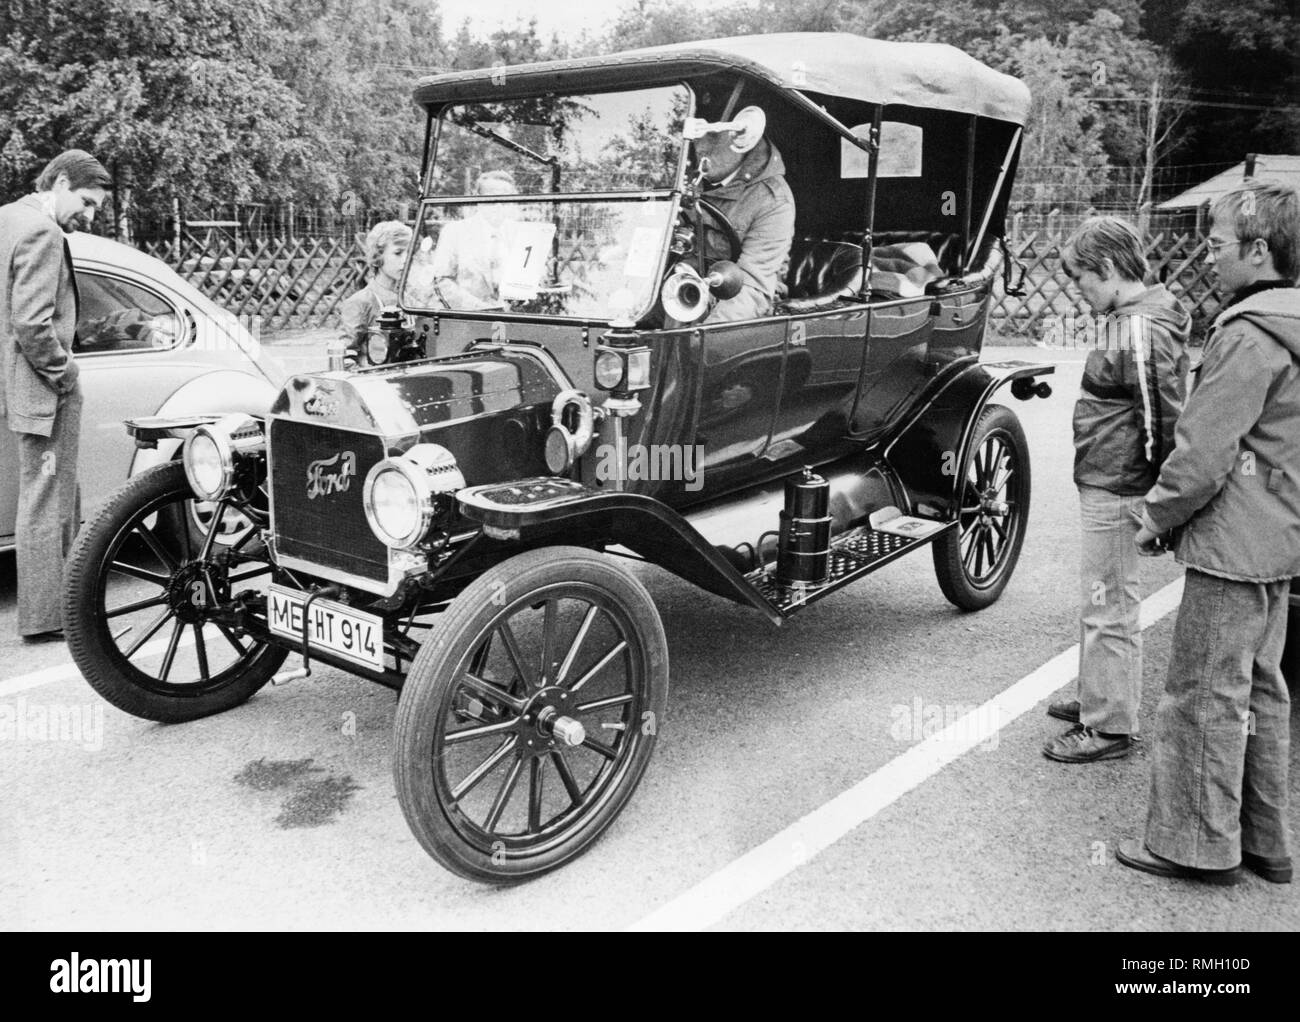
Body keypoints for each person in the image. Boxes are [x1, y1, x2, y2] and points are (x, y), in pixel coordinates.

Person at [1118, 180, 1300, 885]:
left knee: (1200, 695)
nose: (1209, 256)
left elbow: (1202, 453)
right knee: (1260, 691)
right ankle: (1263, 839)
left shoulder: (1248, 334)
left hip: (1233, 545)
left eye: (1220, 244)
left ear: (1259, 250)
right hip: (1279, 536)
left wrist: (1156, 516)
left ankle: (1193, 844)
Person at [1042, 217, 1191, 763]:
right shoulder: (1140, 317)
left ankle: (1108, 726)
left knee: (1110, 606)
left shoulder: (1135, 328)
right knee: (1100, 598)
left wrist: (1160, 500)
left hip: (1119, 482)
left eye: (1082, 278)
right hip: (1111, 477)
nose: (1080, 291)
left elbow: (1162, 421)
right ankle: (1096, 694)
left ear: (1107, 269)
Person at [0, 149, 111, 641]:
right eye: (85, 202)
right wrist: (64, 373)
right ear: (60, 181)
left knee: (50, 494)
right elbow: (31, 321)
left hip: (18, 386)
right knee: (49, 499)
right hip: (43, 388)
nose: (87, 217)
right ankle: (49, 618)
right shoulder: (43, 231)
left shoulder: (8, 217)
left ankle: (60, 603)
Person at [689, 104, 795, 322]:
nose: (700, 147)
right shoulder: (688, 178)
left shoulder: (772, 200)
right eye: (696, 136)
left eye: (711, 136)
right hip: (684, 287)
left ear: (743, 137)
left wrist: (699, 340)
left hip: (735, 300)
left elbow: (752, 287)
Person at [430, 170, 517, 311]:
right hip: (468, 320)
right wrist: (481, 309)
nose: (499, 204)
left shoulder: (518, 234)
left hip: (515, 322)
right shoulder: (455, 232)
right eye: (492, 197)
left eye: (506, 198)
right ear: (478, 200)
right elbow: (442, 281)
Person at [338, 220, 412, 368]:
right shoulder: (360, 303)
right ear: (378, 257)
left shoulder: (410, 301)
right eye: (398, 253)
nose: (405, 260)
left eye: (409, 253)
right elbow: (345, 358)